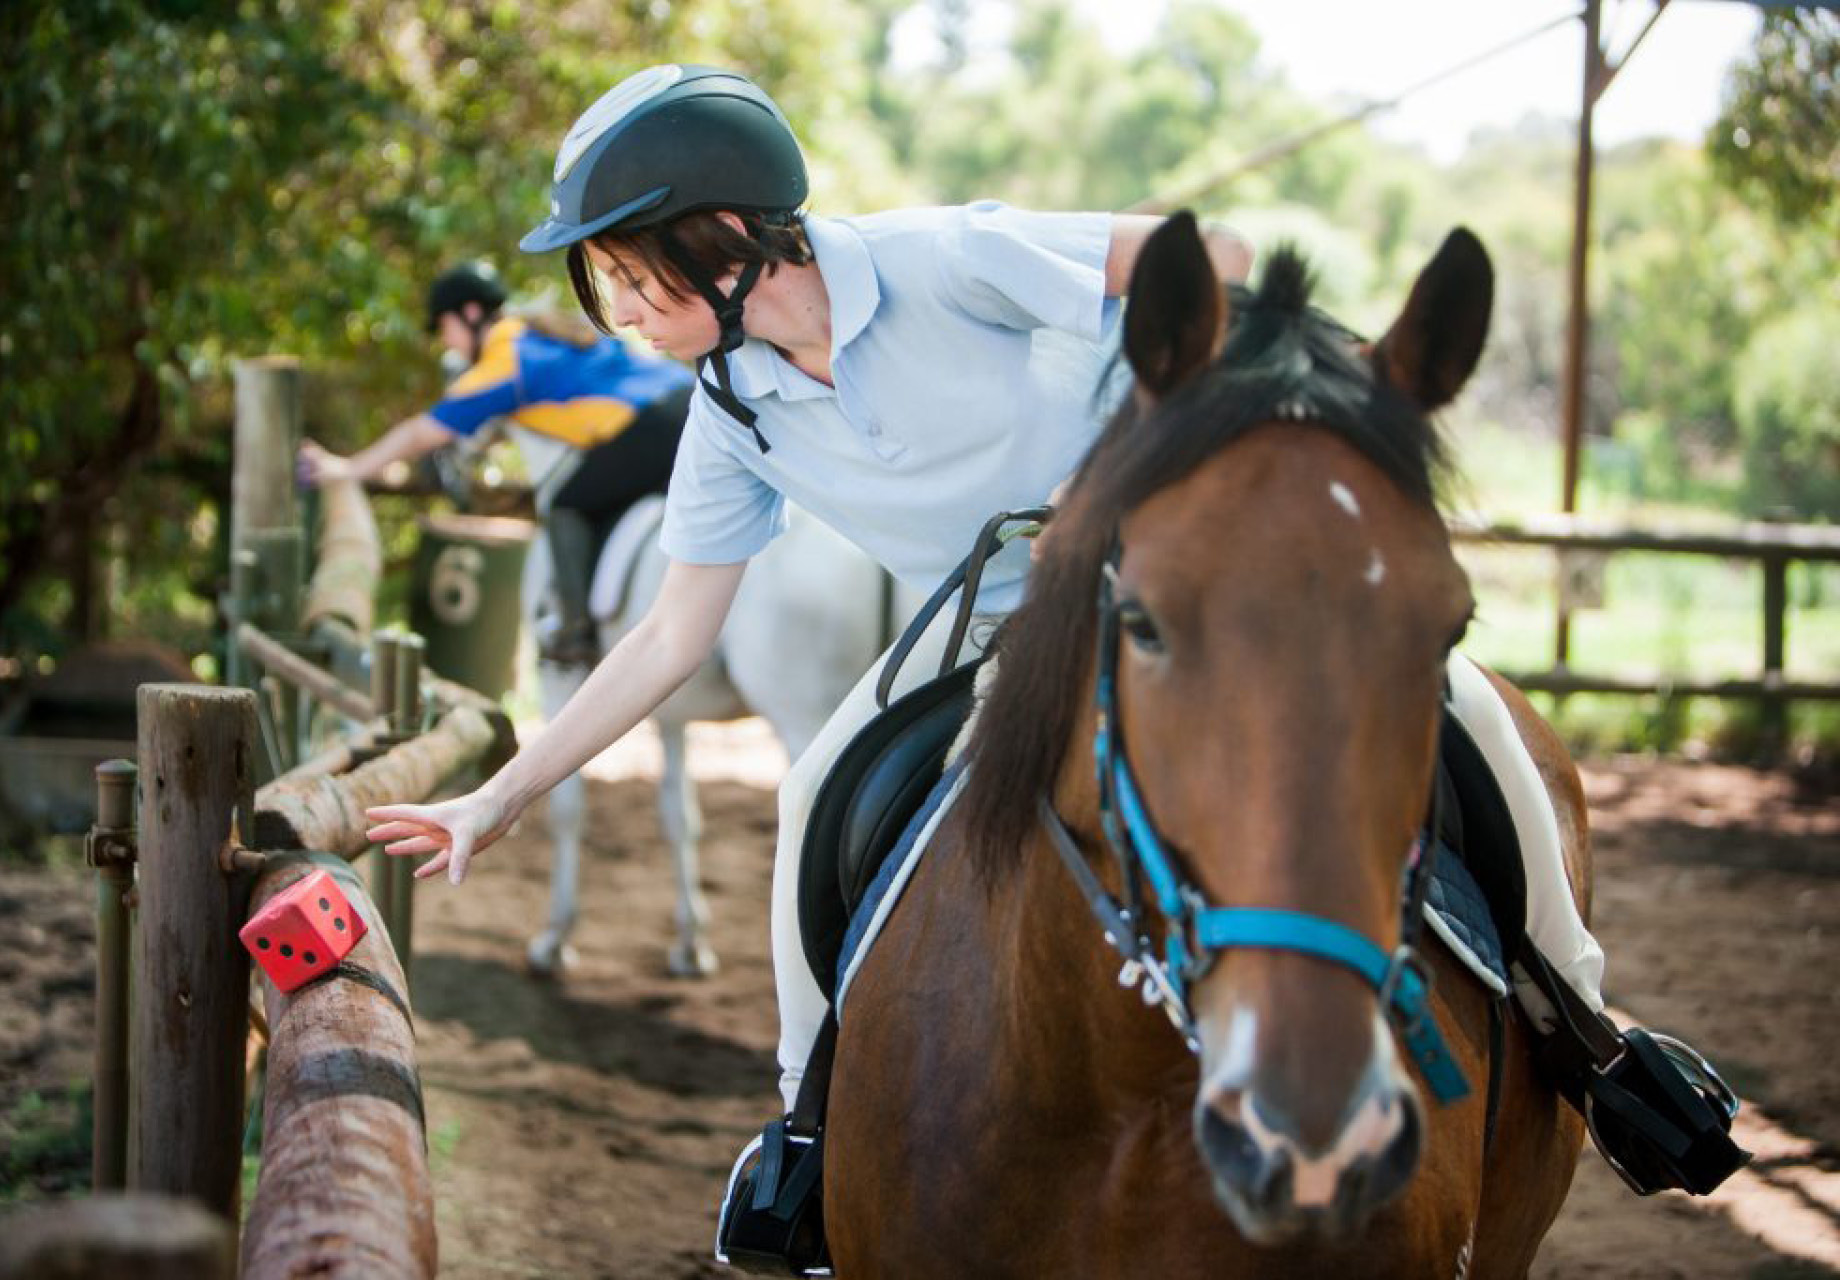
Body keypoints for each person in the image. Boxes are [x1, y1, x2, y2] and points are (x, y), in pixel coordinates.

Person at [361, 64, 1737, 1272]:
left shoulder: (950, 257)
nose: (615, 311)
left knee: (1469, 715)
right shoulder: (730, 407)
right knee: (811, 796)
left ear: (724, 239)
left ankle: (1589, 1033)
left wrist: (1183, 412)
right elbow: (671, 635)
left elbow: (1224, 246)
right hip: (983, 631)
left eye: (624, 272)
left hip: (1164, 576)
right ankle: (804, 1126)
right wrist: (502, 796)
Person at [299, 260, 693, 663]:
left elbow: (423, 432)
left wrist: (348, 468)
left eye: (444, 327)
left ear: (470, 315)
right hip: (687, 403)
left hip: (652, 423)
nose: (445, 342)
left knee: (566, 502)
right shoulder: (537, 335)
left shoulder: (506, 355)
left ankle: (576, 631)